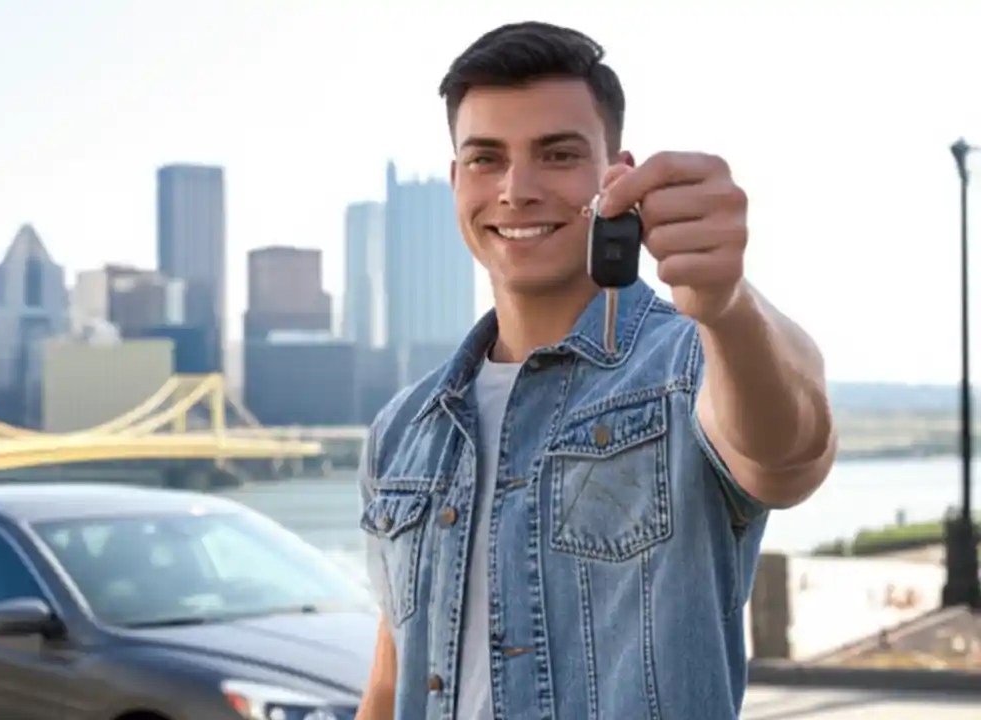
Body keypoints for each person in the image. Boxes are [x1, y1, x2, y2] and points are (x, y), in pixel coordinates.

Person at [356, 21, 836, 720]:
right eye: (486, 159)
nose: (516, 190)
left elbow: (792, 453)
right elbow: (386, 687)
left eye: (557, 154)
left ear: (619, 174)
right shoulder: (403, 429)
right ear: (457, 181)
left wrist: (728, 306)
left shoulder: (692, 363)